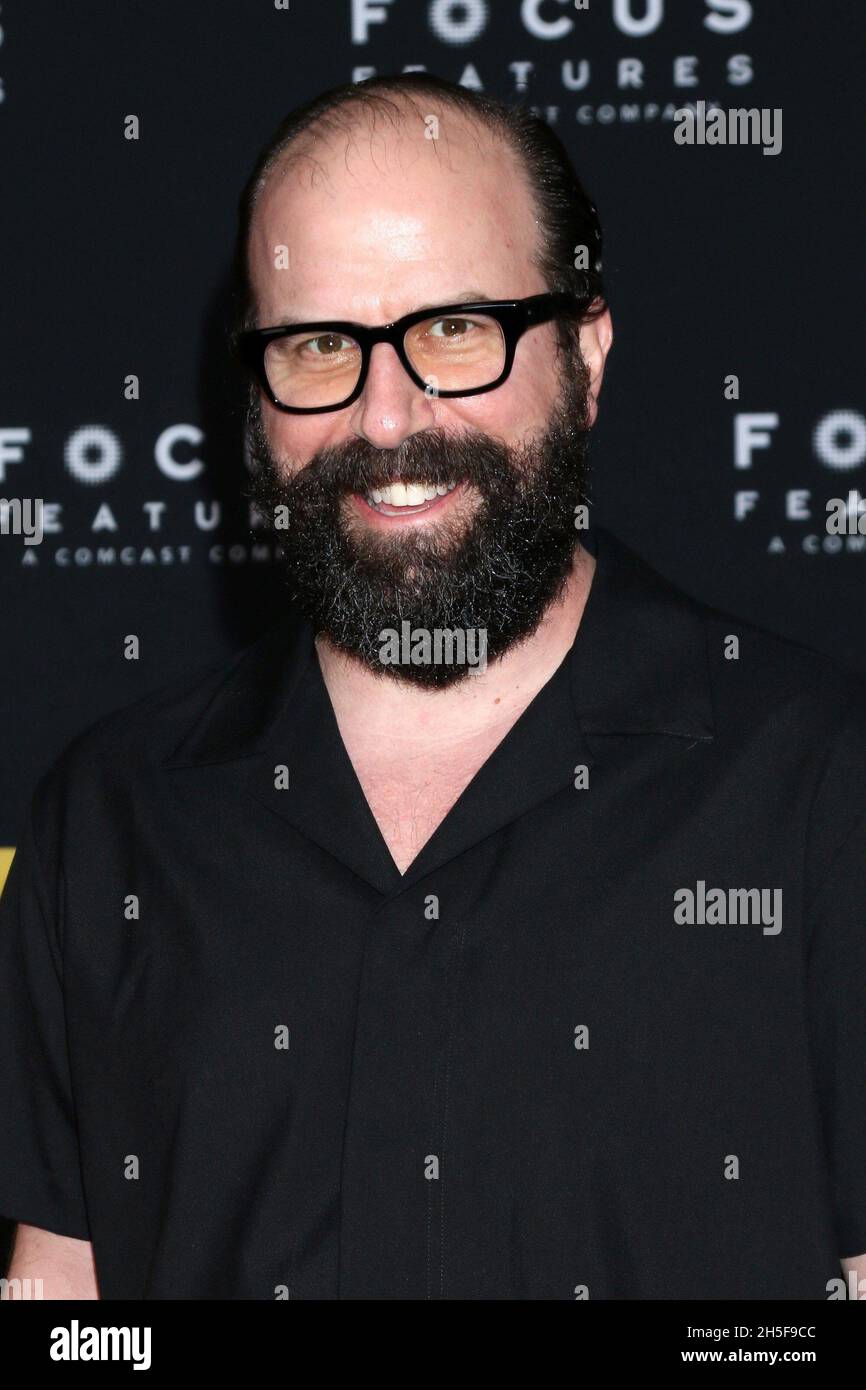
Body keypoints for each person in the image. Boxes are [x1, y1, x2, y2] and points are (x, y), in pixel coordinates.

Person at [1, 73, 865, 1301]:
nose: (386, 413)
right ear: (256, 395)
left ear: (584, 352)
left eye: (454, 329)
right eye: (316, 345)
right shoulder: (112, 819)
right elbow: (64, 1304)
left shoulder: (818, 786)